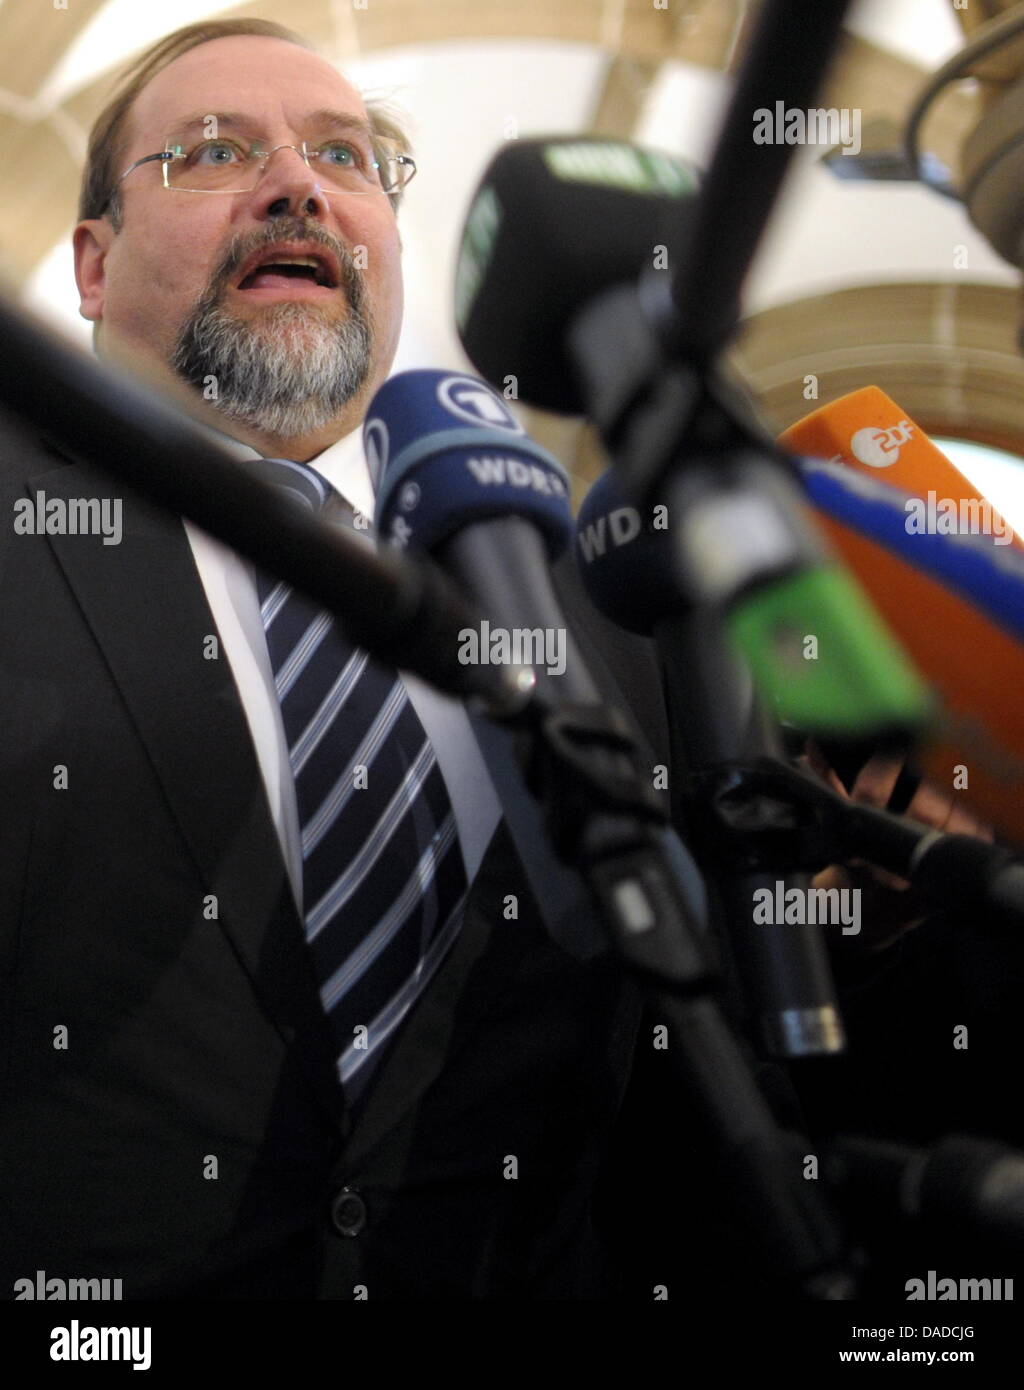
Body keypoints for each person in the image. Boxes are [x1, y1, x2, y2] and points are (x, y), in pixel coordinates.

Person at [0, 16, 678, 1301]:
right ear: (93, 262)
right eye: (211, 151)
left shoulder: (578, 605)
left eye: (346, 157)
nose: (299, 184)